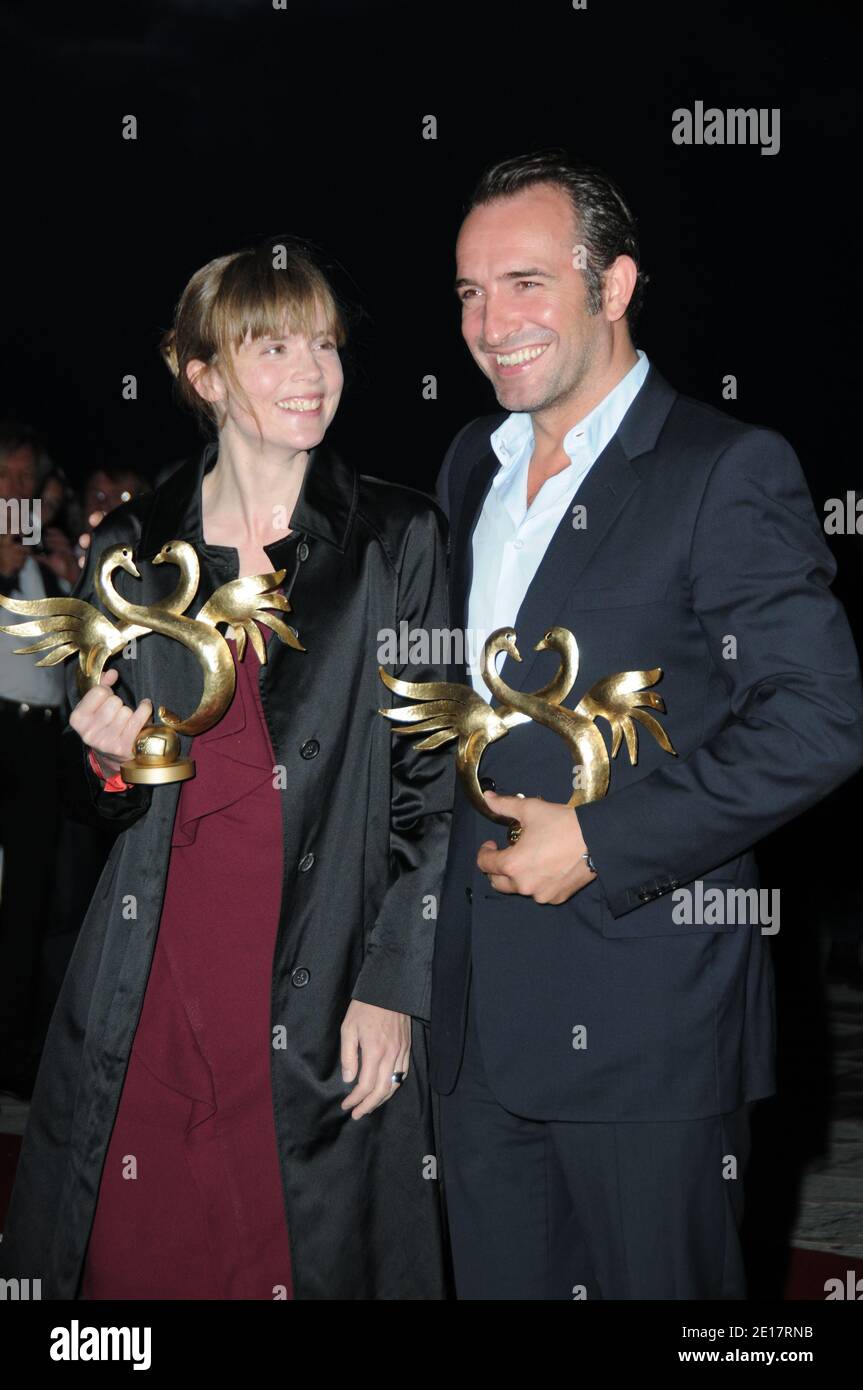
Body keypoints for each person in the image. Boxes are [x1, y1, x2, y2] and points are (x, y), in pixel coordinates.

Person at [429, 151, 863, 1300]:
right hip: (473, 1030)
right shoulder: (473, 460)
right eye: (470, 292)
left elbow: (817, 719)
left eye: (523, 282)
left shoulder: (725, 470)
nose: (490, 321)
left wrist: (601, 844)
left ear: (613, 287)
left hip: (643, 1027)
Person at [0, 238, 452, 1299]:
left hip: (321, 966)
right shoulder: (130, 546)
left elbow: (432, 787)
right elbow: (88, 796)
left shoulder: (398, 539)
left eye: (326, 344)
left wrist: (393, 985)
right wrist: (102, 764)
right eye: (275, 346)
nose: (313, 371)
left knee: (307, 1257)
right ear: (203, 376)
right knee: (135, 1265)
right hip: (152, 970)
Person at [0, 423, 69, 1100]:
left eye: (28, 479)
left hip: (41, 739)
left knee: (31, 896)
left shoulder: (44, 562)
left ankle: (14, 1044)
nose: (18, 491)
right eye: (7, 477)